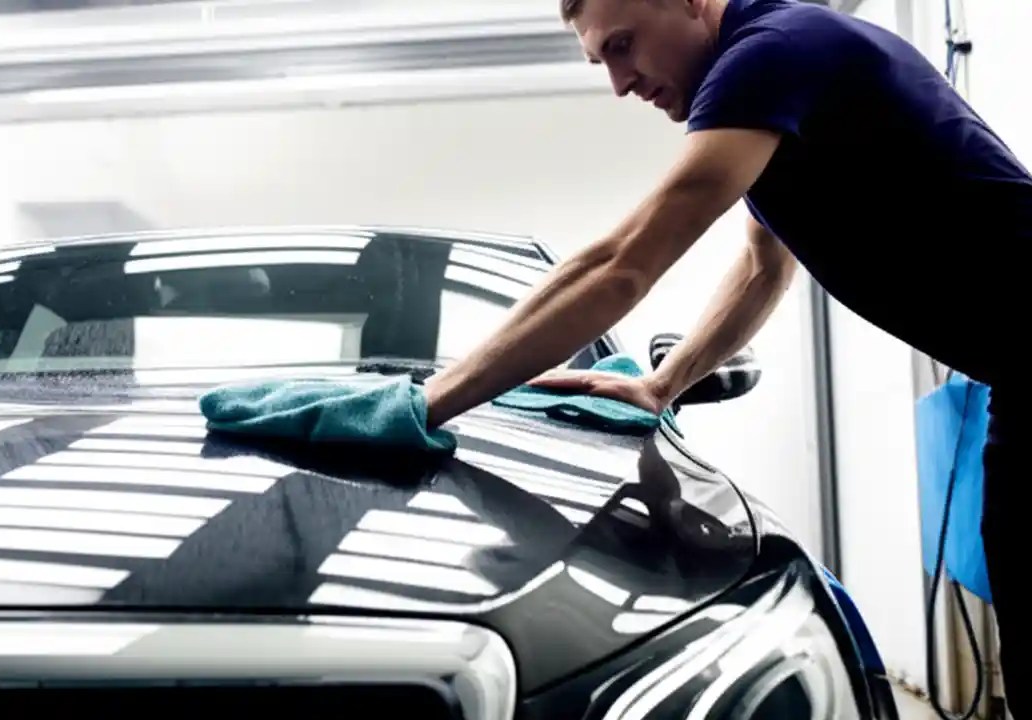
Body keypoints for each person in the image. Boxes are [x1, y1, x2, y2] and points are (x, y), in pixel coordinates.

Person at [420, 0, 1025, 713]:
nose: (619, 82)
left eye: (623, 44)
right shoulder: (776, 78)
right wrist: (662, 384)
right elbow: (762, 268)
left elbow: (621, 263)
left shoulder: (768, 55)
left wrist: (425, 402)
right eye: (601, 60)